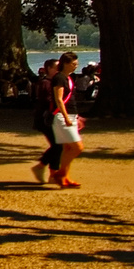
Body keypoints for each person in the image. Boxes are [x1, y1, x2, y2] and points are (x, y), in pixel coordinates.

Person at [50, 51, 83, 188]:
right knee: (78, 147)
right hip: (63, 116)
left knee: (68, 148)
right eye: (73, 64)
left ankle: (65, 177)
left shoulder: (68, 78)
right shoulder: (59, 78)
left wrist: (77, 117)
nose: (76, 66)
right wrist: (66, 117)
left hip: (72, 115)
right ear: (65, 63)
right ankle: (60, 173)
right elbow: (59, 99)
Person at [31, 57, 62, 183]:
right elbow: (48, 101)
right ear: (49, 69)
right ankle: (44, 168)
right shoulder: (46, 83)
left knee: (58, 145)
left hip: (53, 118)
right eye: (57, 68)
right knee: (58, 145)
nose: (59, 70)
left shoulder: (56, 83)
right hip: (45, 119)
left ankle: (51, 173)